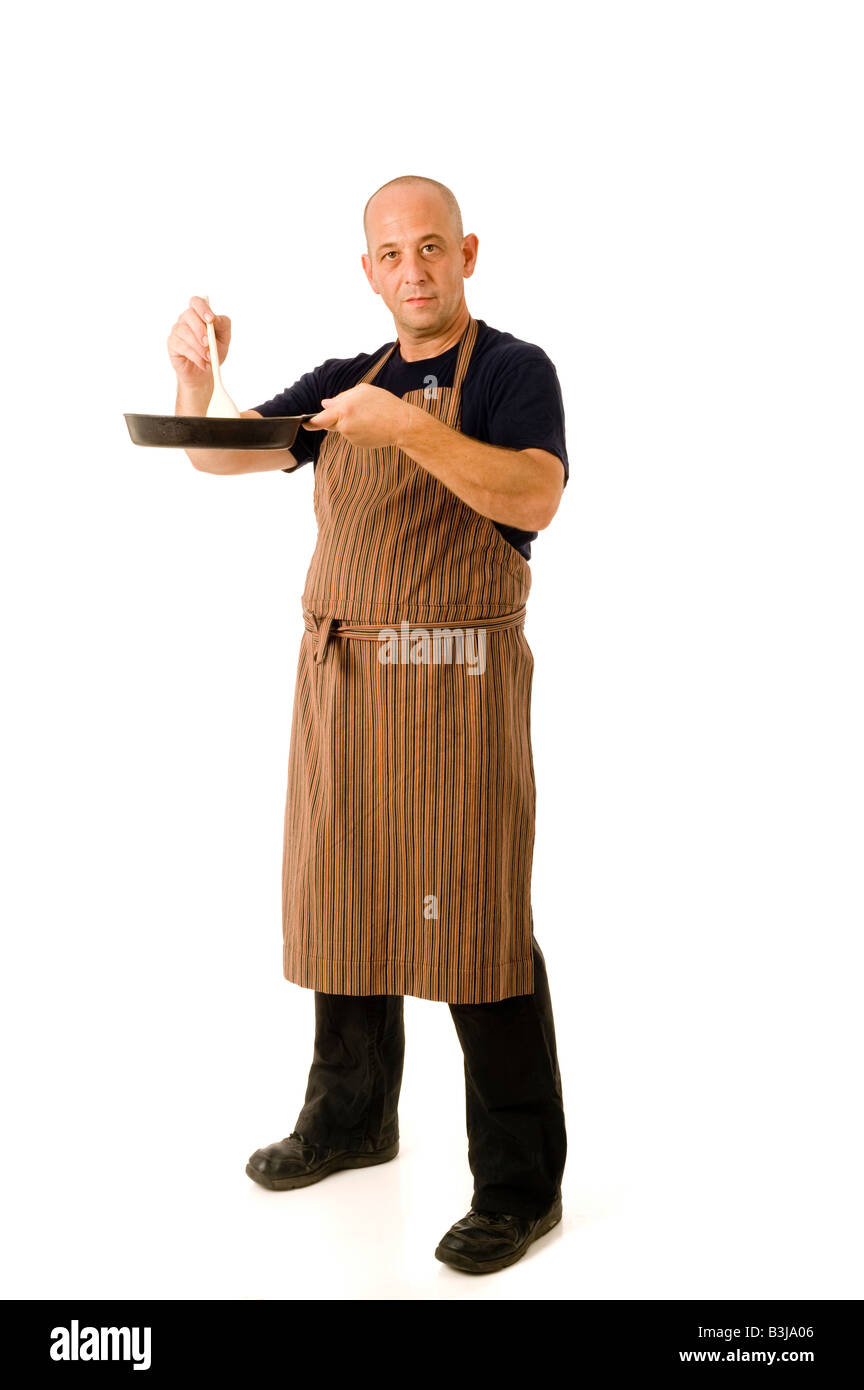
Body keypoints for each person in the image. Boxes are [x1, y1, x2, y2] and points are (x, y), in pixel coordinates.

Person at [167, 175, 569, 1275]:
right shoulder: (350, 381)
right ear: (368, 270)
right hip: (343, 682)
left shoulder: (514, 374)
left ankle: (521, 1185)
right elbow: (217, 450)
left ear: (467, 252)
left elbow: (533, 497)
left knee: (475, 916)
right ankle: (352, 1117)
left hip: (457, 683)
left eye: (432, 248)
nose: (413, 270)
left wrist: (410, 432)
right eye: (391, 255)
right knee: (344, 893)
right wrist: (199, 381)